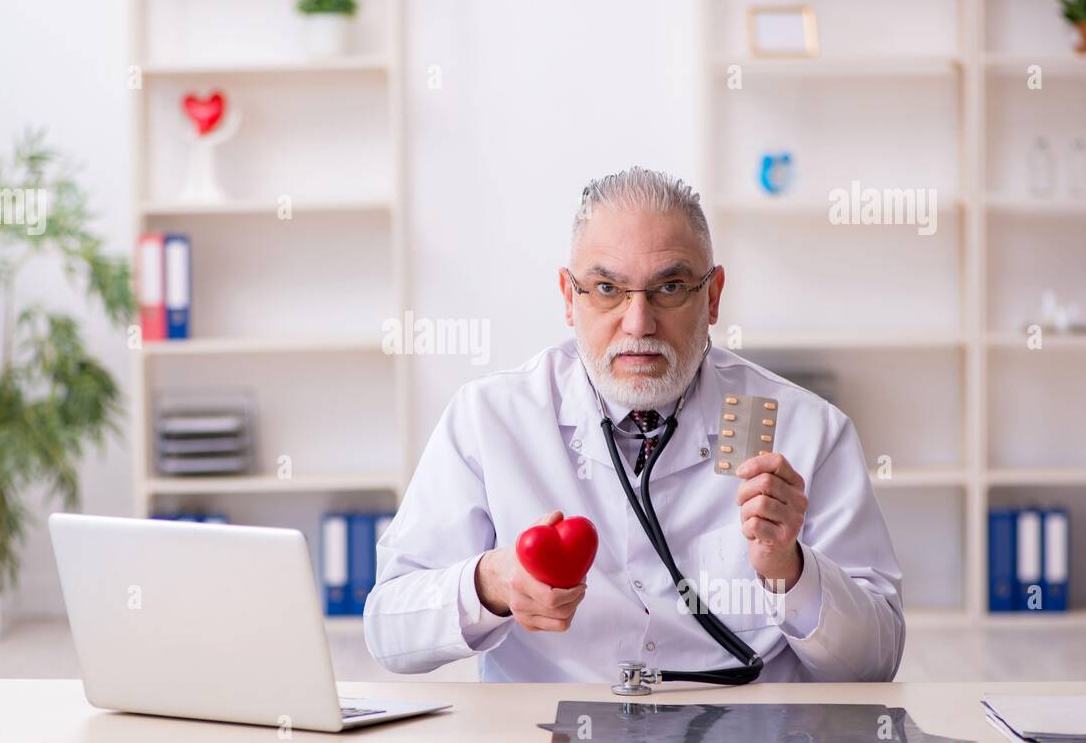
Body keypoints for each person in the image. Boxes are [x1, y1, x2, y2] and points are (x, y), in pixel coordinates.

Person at [363, 167, 904, 683]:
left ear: (712, 297)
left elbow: (877, 660)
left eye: (669, 288)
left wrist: (790, 571)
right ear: (568, 298)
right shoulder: (490, 419)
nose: (638, 322)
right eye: (606, 288)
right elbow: (388, 629)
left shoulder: (808, 430)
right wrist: (492, 583)